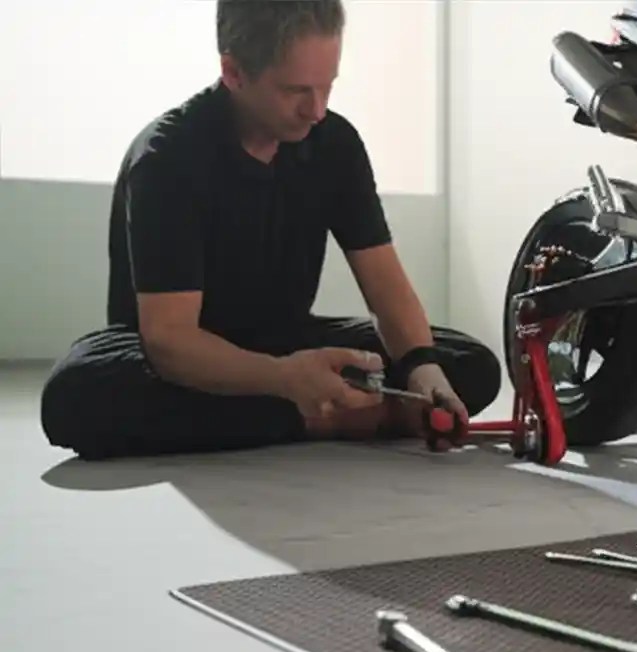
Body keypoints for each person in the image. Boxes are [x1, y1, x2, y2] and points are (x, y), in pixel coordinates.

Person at [40, 0, 501, 460]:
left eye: (328, 86)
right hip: (181, 361)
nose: (316, 110)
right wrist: (284, 379)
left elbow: (385, 286)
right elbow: (170, 341)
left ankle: (298, 415)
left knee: (468, 363)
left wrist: (422, 369)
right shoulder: (167, 157)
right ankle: (336, 417)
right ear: (233, 72)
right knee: (76, 396)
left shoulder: (335, 144)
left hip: (286, 342)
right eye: (295, 90)